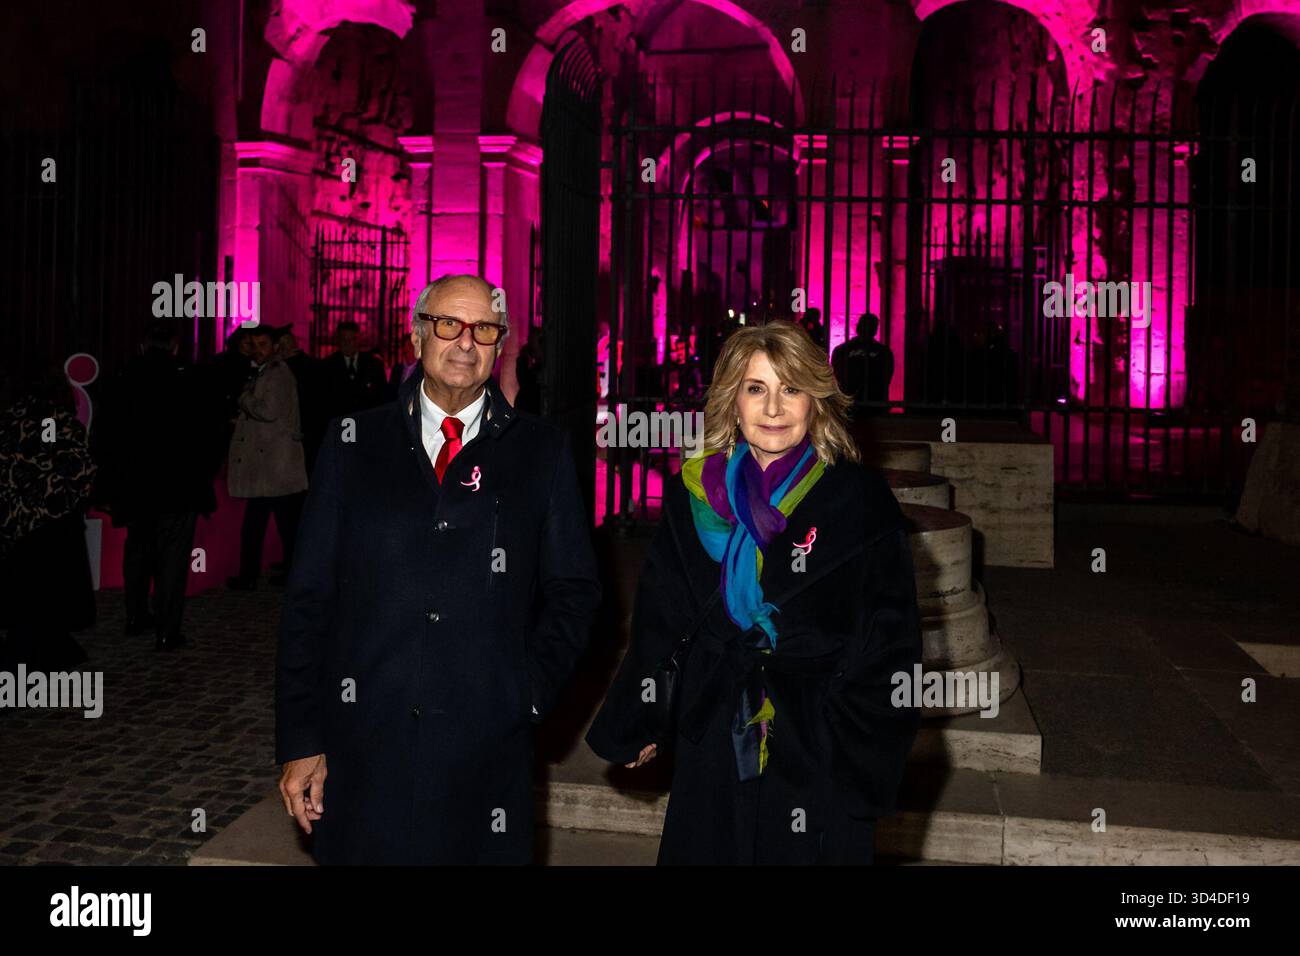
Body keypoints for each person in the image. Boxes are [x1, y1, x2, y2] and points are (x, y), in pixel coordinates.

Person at [276, 274, 601, 864]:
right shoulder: (353, 442)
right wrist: (302, 738)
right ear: (416, 335)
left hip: (483, 746)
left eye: (483, 329)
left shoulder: (540, 452)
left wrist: (528, 691)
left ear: (500, 346)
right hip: (364, 737)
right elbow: (309, 597)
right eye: (448, 324)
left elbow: (575, 591)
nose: (465, 342)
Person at [586, 319, 922, 865]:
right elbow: (661, 615)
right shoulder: (692, 492)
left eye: (791, 389)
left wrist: (857, 748)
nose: (773, 408)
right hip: (713, 728)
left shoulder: (858, 500)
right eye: (756, 388)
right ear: (732, 403)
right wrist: (645, 714)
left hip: (817, 740)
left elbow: (891, 642)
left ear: (816, 402)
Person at [93, 320, 224, 650]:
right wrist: (202, 473)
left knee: (138, 549)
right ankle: (167, 629)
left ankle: (135, 615)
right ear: (176, 346)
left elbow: (104, 437)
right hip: (180, 485)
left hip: (135, 484)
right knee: (173, 558)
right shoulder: (192, 378)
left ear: (143, 345)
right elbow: (212, 432)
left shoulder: (121, 379)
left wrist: (110, 484)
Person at [0, 366, 97, 671]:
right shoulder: (55, 422)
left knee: (24, 593)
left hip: (11, 521)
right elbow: (76, 470)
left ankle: (48, 650)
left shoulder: (8, 420)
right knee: (43, 595)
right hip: (48, 523)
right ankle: (25, 665)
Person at [226, 325, 308, 589]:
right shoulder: (266, 372)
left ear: (274, 347)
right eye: (254, 344)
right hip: (271, 466)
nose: (258, 350)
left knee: (276, 526)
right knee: (269, 525)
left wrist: (244, 399)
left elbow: (268, 410)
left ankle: (258, 576)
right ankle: (259, 575)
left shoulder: (277, 374)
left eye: (263, 344)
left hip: (275, 466)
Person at [319, 320, 388, 420]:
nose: (347, 344)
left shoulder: (373, 365)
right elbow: (324, 400)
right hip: (340, 423)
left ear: (358, 340)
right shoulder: (328, 366)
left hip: (366, 422)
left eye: (351, 339)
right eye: (344, 340)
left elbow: (382, 397)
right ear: (339, 341)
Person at [831, 313, 895, 409]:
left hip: (851, 402)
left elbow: (837, 374)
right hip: (874, 402)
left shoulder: (842, 349)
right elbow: (886, 377)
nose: (867, 329)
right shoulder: (884, 351)